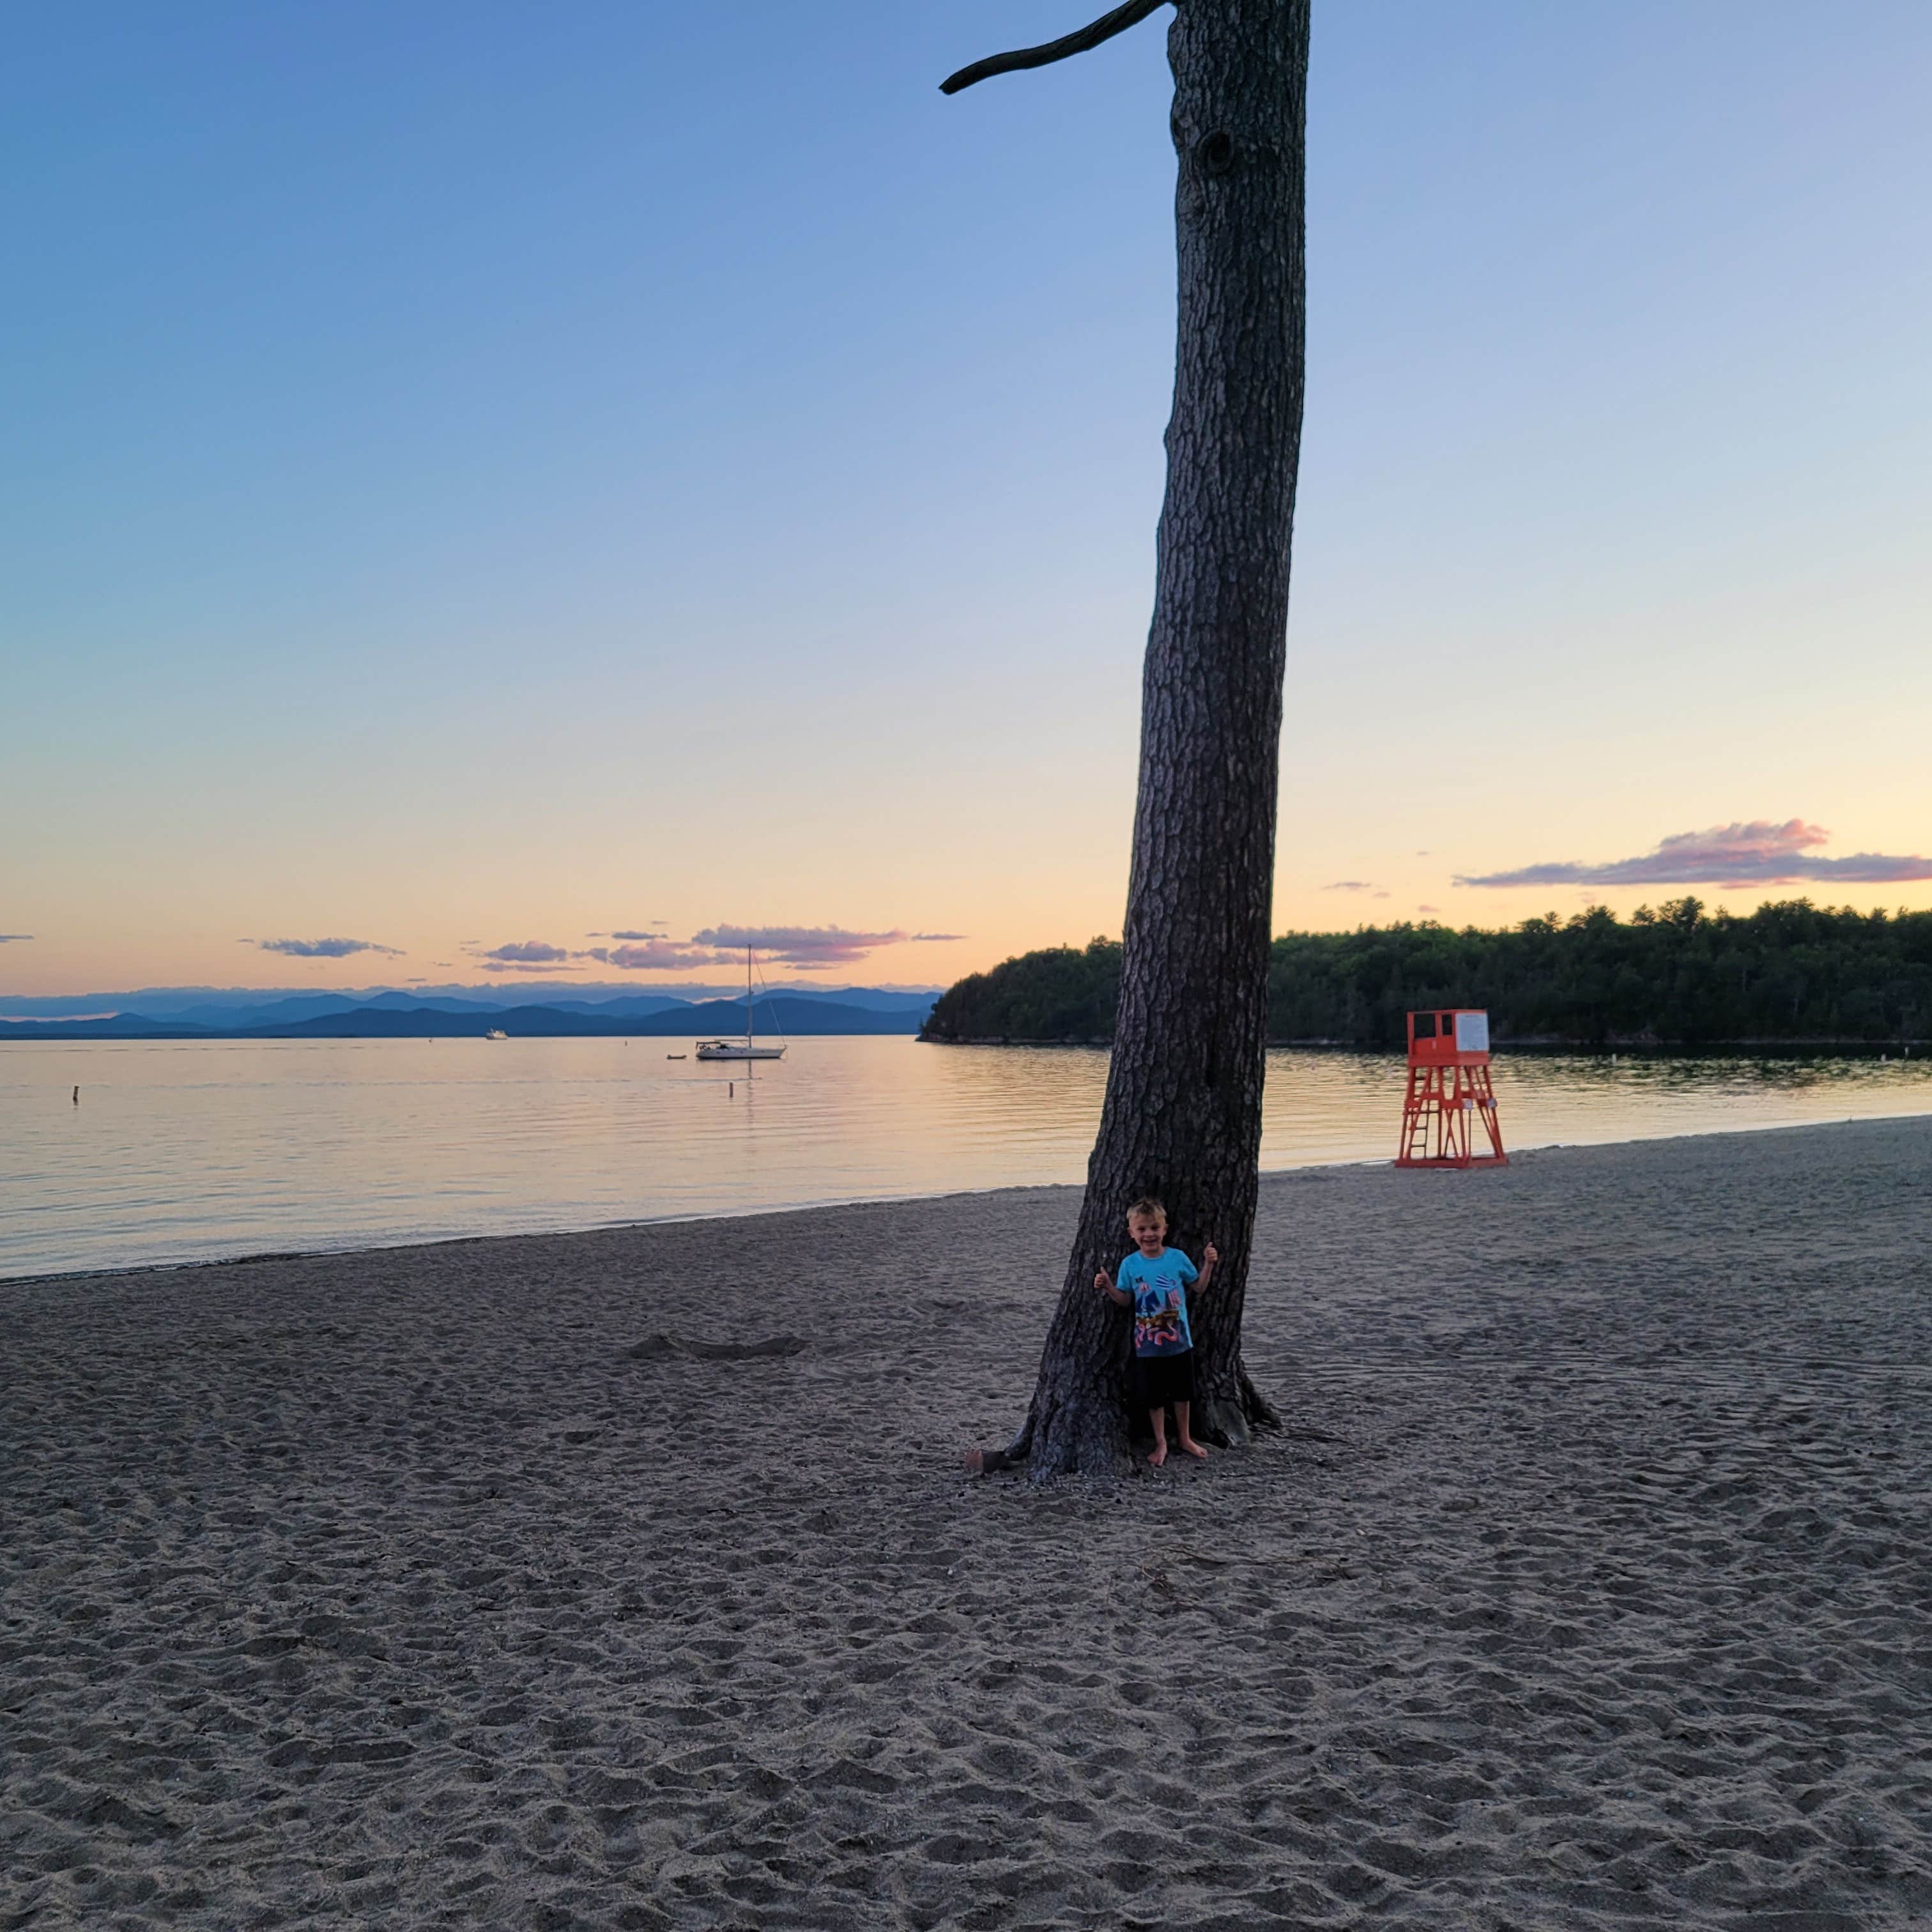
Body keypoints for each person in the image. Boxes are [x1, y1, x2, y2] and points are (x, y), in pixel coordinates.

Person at [1097, 1197, 1216, 1466]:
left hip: (1180, 1342)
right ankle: (1161, 1441)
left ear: (1165, 1229)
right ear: (1131, 1233)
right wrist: (1108, 1287)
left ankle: (1185, 1437)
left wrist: (1208, 1264)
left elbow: (1198, 1287)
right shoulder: (1130, 1264)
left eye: (1154, 1228)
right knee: (1154, 1397)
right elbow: (1125, 1300)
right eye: (1142, 1229)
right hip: (1148, 1345)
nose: (1149, 1234)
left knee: (1183, 1392)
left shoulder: (1177, 1258)